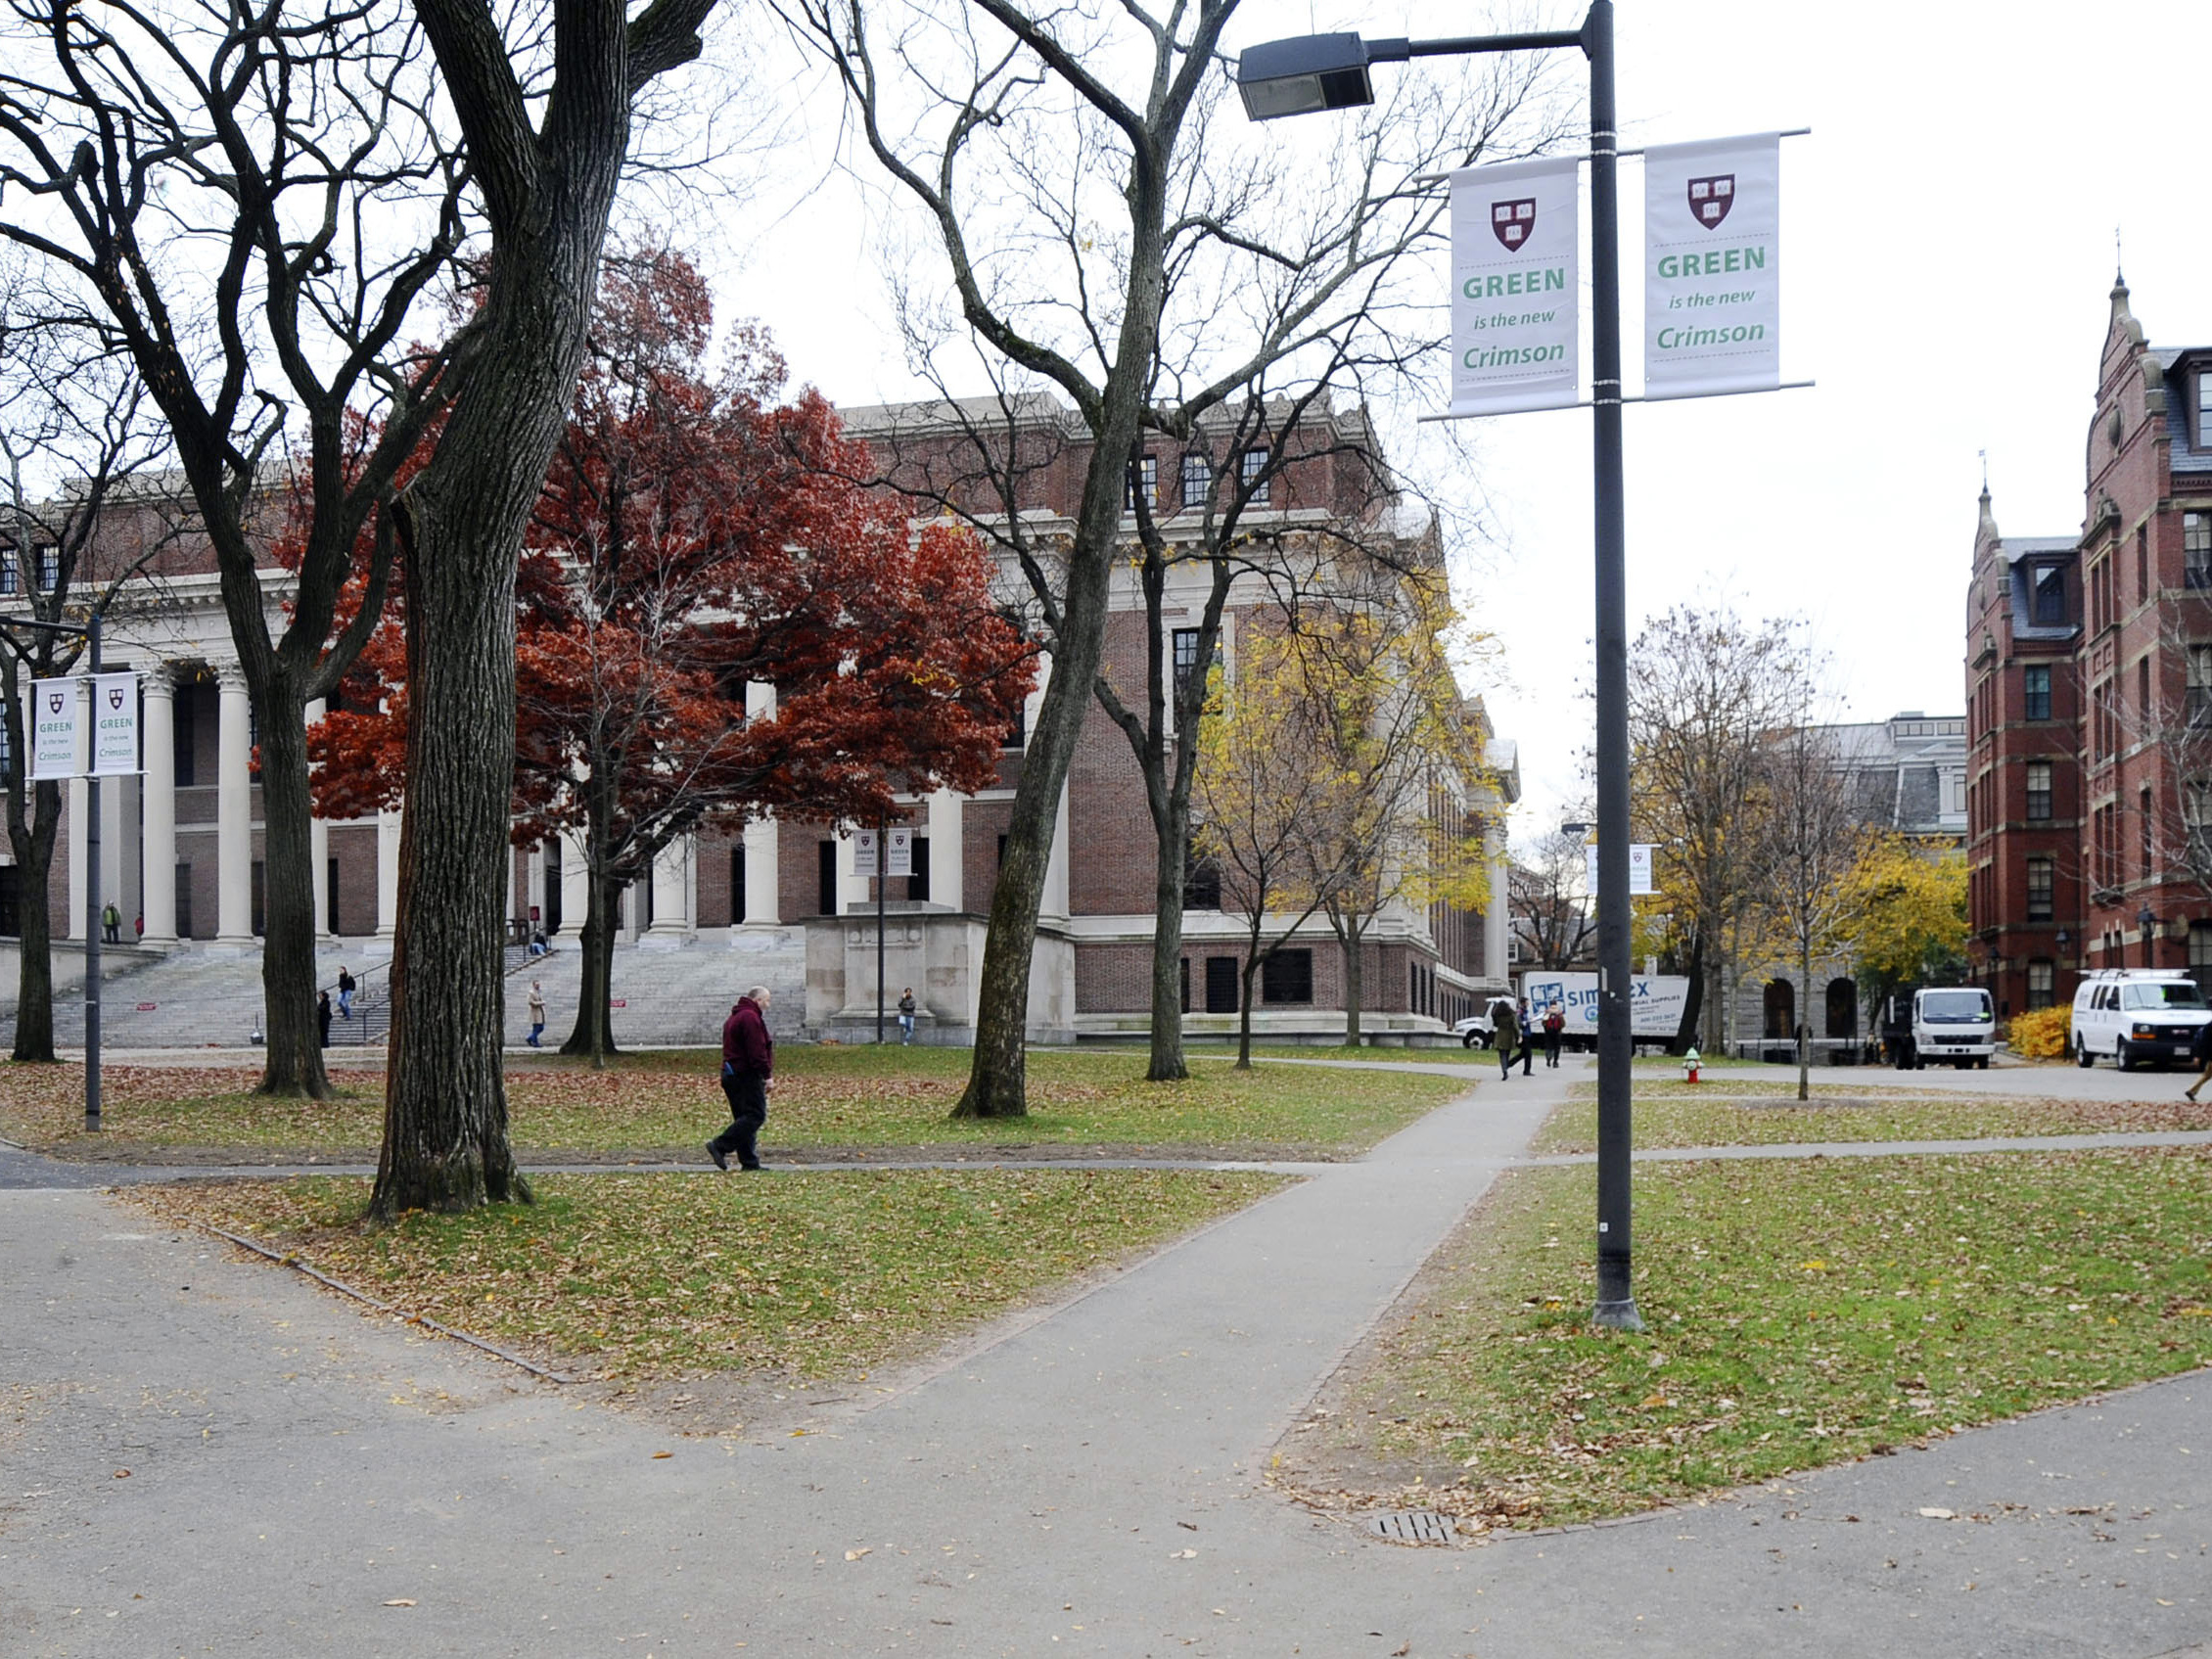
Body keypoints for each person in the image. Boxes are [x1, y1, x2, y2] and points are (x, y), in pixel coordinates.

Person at [708, 986, 774, 1173]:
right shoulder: (750, 1018)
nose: (768, 1005)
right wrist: (767, 1075)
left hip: (731, 1074)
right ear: (757, 1000)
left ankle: (749, 1162)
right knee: (755, 1115)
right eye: (767, 1000)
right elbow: (757, 1050)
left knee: (743, 1117)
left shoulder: (734, 1017)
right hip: (745, 1074)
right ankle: (720, 1145)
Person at [1493, 997, 1521, 1082]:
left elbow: (1495, 1024)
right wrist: (1518, 1035)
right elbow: (1515, 1026)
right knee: (1507, 1053)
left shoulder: (1497, 1014)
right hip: (1509, 1035)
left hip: (1500, 1034)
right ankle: (1506, 1067)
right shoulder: (1512, 1014)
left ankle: (1504, 1070)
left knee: (1502, 1054)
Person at [2187, 1017, 2212, 1102]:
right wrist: (2198, 1055)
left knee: (2207, 1075)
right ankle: (2191, 1090)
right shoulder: (2209, 1027)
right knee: (2207, 1074)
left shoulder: (2208, 1026)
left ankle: (2191, 1090)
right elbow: (2203, 1043)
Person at [1516, 997, 1536, 1075]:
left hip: (1527, 1034)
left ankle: (1508, 1064)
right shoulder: (1520, 1012)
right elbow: (1519, 1023)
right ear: (1523, 1003)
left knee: (1523, 1054)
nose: (1528, 1004)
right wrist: (1527, 1022)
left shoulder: (1525, 1012)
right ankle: (1526, 1071)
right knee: (1528, 1054)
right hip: (1523, 1034)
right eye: (1527, 1002)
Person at [1544, 1001, 1566, 1068]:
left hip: (1548, 1033)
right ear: (1556, 1004)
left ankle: (1548, 1059)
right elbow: (1563, 1024)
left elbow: (1543, 1023)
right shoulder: (1559, 1012)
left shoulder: (1547, 1012)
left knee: (1548, 1047)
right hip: (1557, 1032)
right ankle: (1555, 1062)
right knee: (1557, 1048)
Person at [527, 980, 546, 1048]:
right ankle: (534, 1041)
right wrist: (541, 1003)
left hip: (540, 1012)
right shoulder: (531, 993)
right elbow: (530, 1002)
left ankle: (531, 1039)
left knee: (540, 1027)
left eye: (538, 985)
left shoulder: (539, 992)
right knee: (537, 1027)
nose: (538, 986)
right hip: (535, 1013)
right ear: (533, 985)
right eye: (536, 985)